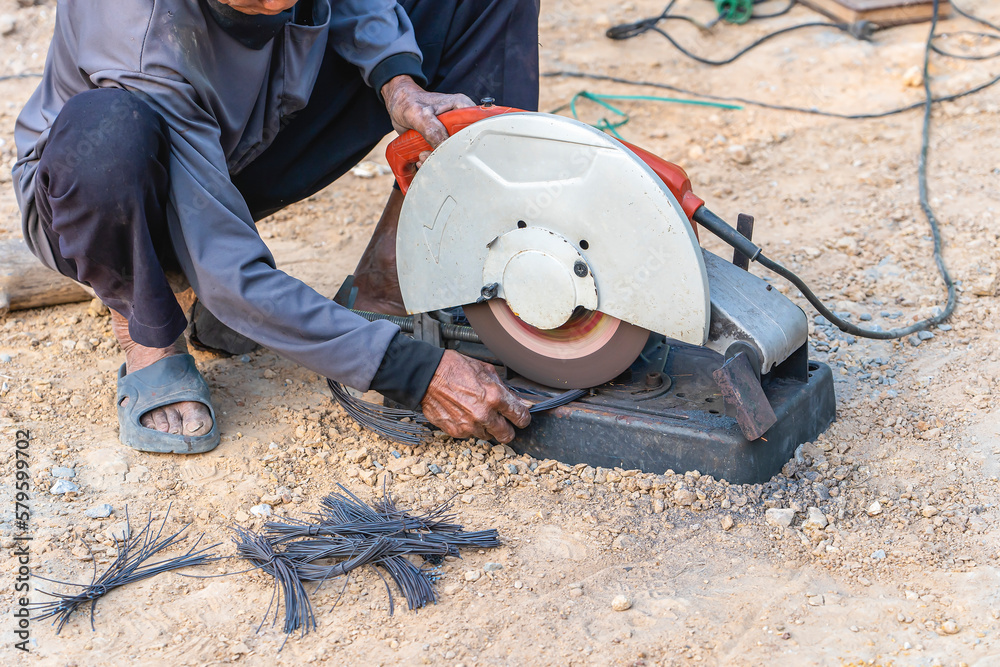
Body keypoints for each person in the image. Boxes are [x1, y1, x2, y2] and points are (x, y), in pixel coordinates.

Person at [12, 0, 536, 452]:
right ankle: (144, 320)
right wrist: (413, 372)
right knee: (110, 137)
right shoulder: (137, 34)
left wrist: (397, 80)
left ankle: (390, 281)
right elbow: (229, 271)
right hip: (110, 190)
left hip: (247, 134)